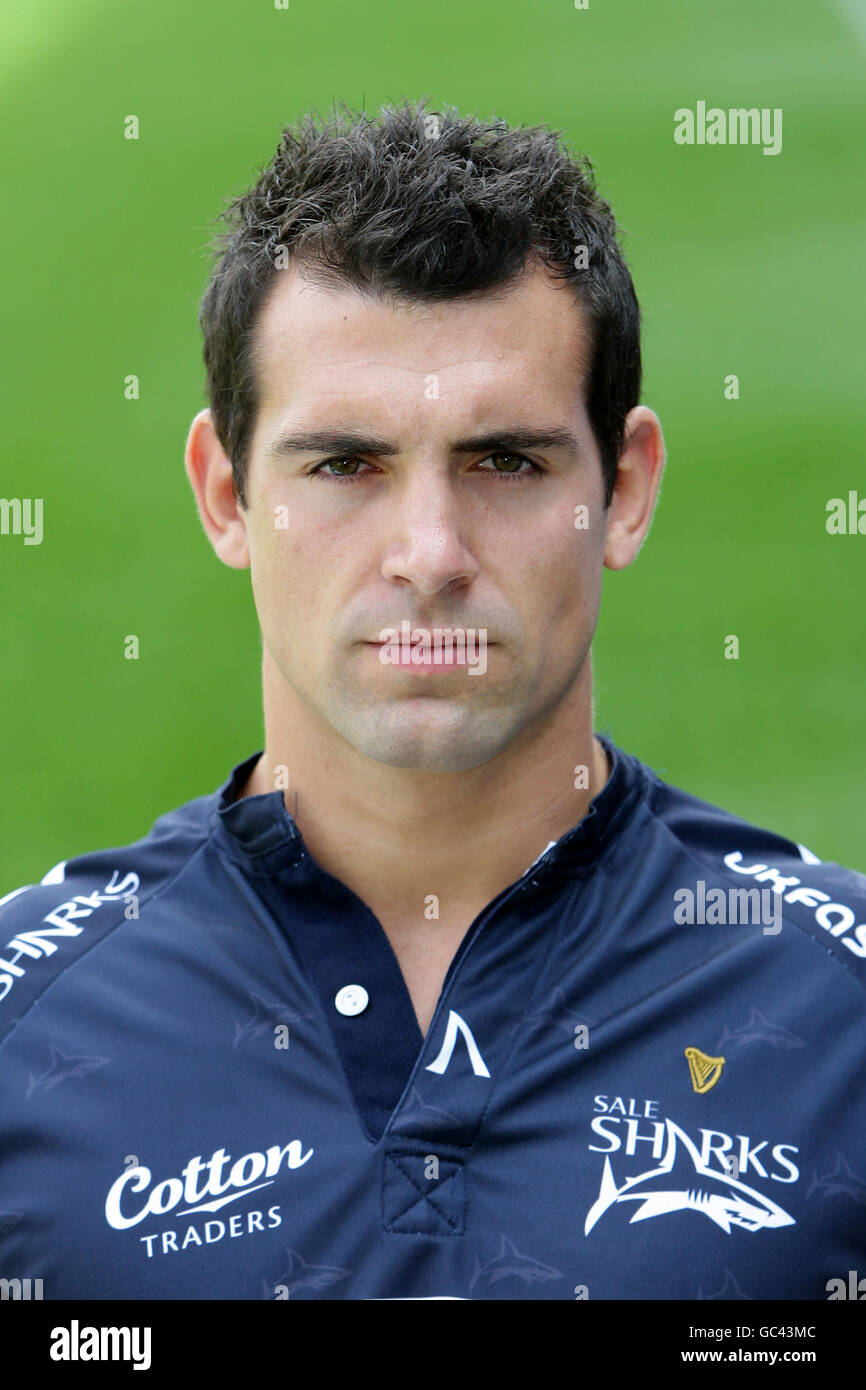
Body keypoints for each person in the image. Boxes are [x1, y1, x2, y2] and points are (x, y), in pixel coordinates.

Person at [0, 100, 863, 1302]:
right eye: (344, 464)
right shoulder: (21, 1022)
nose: (429, 551)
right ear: (224, 496)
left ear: (621, 490)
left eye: (503, 461)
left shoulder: (839, 1010)